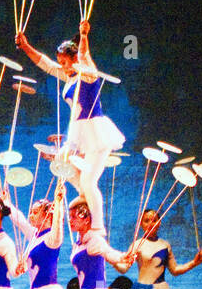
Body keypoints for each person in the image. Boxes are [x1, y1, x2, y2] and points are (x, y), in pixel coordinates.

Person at [16, 20, 124, 229]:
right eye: (61, 63)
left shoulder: (88, 76)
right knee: (60, 160)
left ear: (75, 59)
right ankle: (85, 195)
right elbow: (45, 64)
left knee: (89, 181)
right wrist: (25, 46)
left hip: (97, 133)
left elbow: (85, 57)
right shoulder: (69, 77)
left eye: (65, 62)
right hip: (81, 134)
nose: (62, 67)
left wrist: (84, 36)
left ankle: (98, 227)